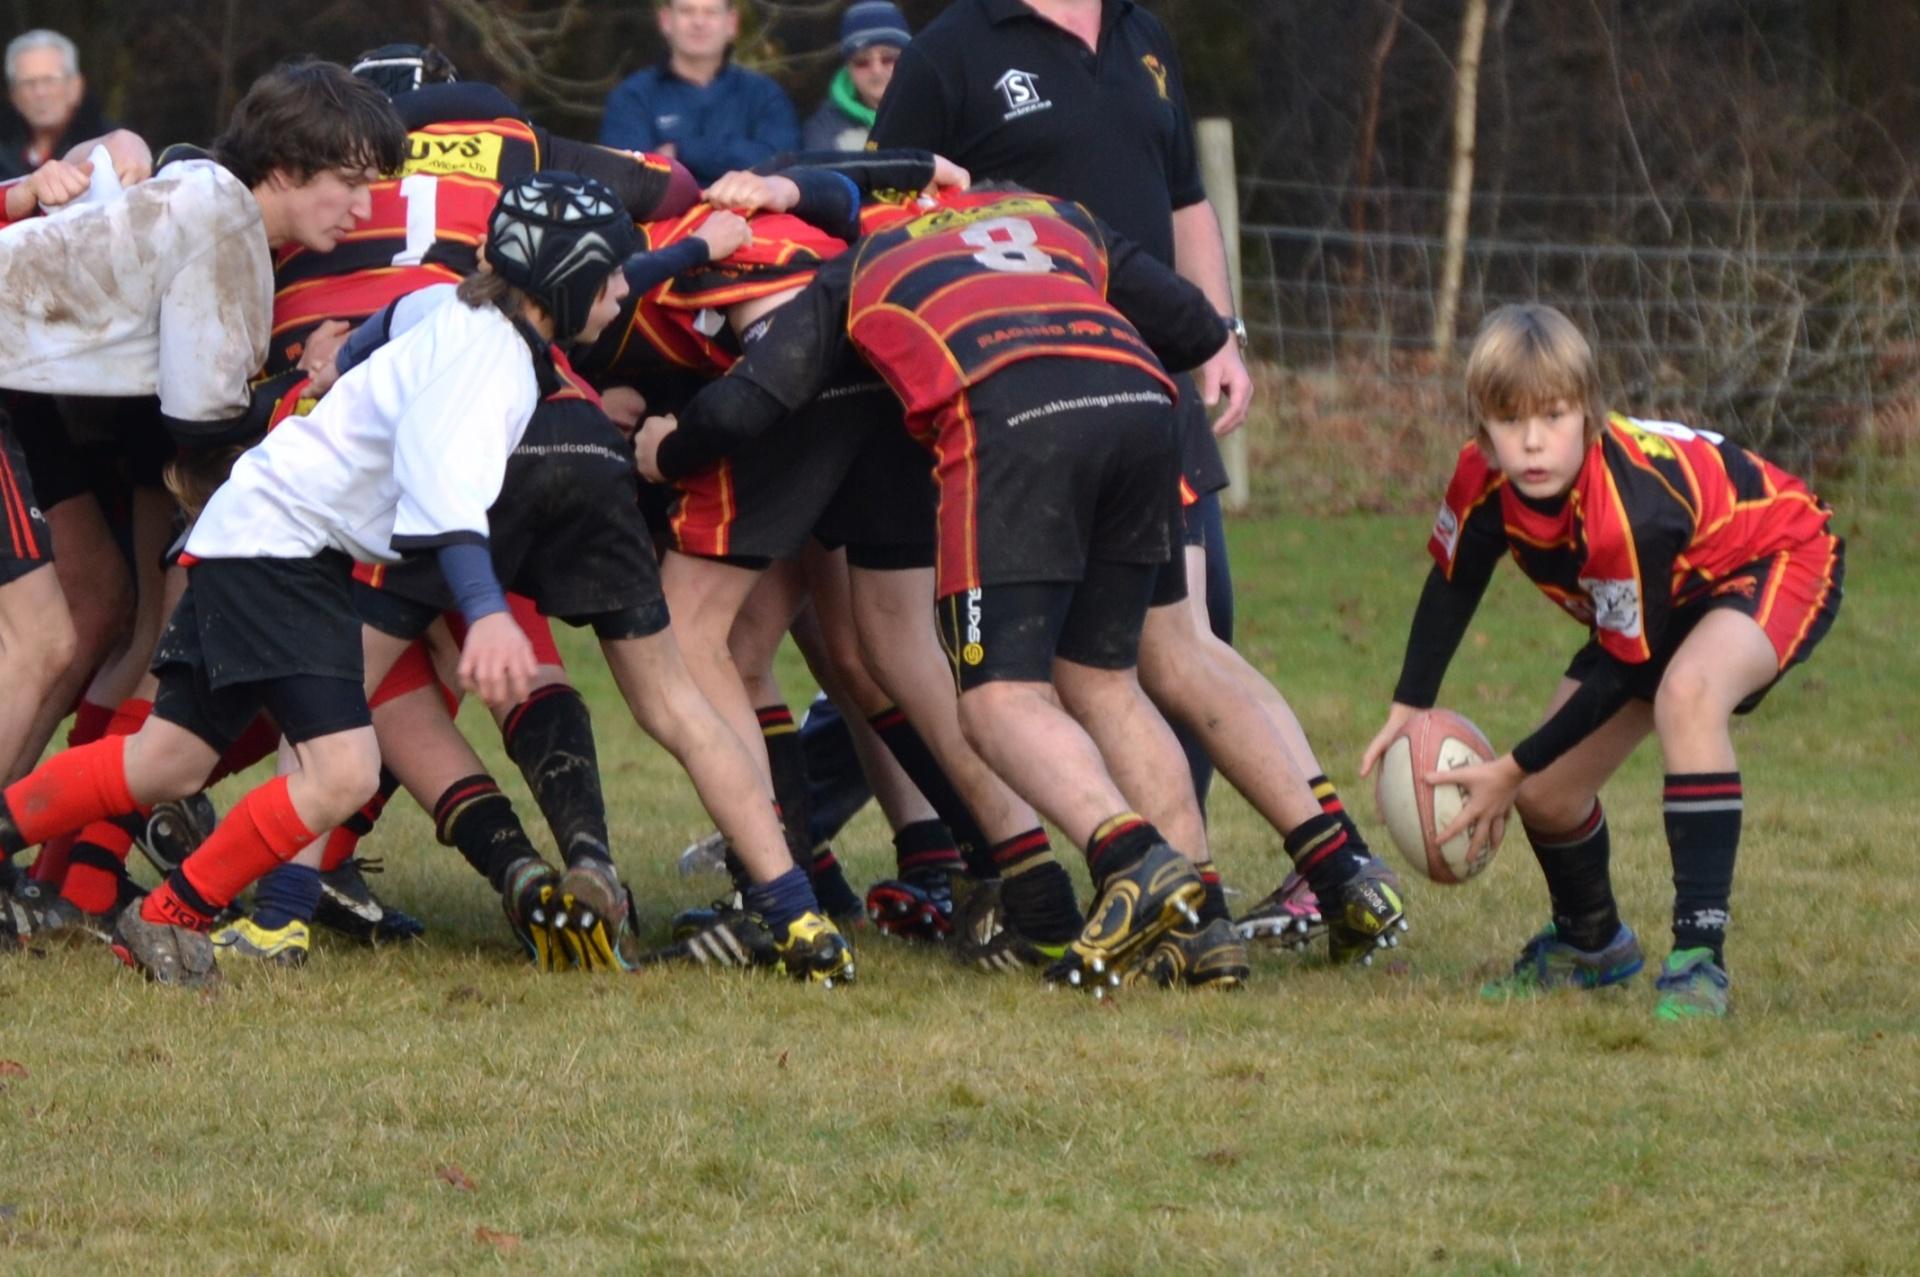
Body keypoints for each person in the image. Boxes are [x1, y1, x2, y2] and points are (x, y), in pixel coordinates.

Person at [636, 183, 1263, 988]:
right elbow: (1189, 324)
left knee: (996, 700)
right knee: (1105, 682)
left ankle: (1135, 860)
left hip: (1015, 424)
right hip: (1142, 404)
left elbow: (755, 398)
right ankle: (1202, 925)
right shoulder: (1055, 214)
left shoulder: (866, 262)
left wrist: (668, 451)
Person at [1369, 303, 1843, 1020]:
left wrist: (1510, 763)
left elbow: (1625, 670)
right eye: (1509, 418)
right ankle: (1591, 943)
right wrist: (1409, 703)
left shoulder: (1626, 505)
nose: (1533, 441)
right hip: (1663, 586)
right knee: (1549, 793)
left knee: (1687, 693)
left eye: (1554, 416)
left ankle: (1697, 958)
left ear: (1589, 415)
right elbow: (1455, 578)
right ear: (1481, 429)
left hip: (1773, 551)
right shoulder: (1482, 478)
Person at [869, 0, 1254, 810]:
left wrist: (1218, 331)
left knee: (1194, 623)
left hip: (1153, 389)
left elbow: (1185, 200)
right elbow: (888, 220)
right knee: (1027, 654)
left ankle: (1190, 861)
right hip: (1022, 410)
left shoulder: (1144, 35)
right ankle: (1006, 846)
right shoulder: (950, 54)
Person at [599, 0, 801, 184]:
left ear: (731, 23)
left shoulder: (765, 95)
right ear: (666, 20)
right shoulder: (633, 97)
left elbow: (783, 169)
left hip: (753, 220)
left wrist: (684, 151)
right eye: (687, 11)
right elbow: (630, 179)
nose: (699, 22)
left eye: (710, 12)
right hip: (664, 223)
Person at [0, 30, 110, 182]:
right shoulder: (4, 153)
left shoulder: (108, 144)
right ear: (13, 95)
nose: (40, 92)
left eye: (50, 80)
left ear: (75, 87)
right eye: (28, 83)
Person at [802, 2, 910, 152]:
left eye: (888, 58)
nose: (876, 70)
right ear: (848, 68)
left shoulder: (938, 109)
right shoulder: (824, 127)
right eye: (861, 62)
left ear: (909, 59)